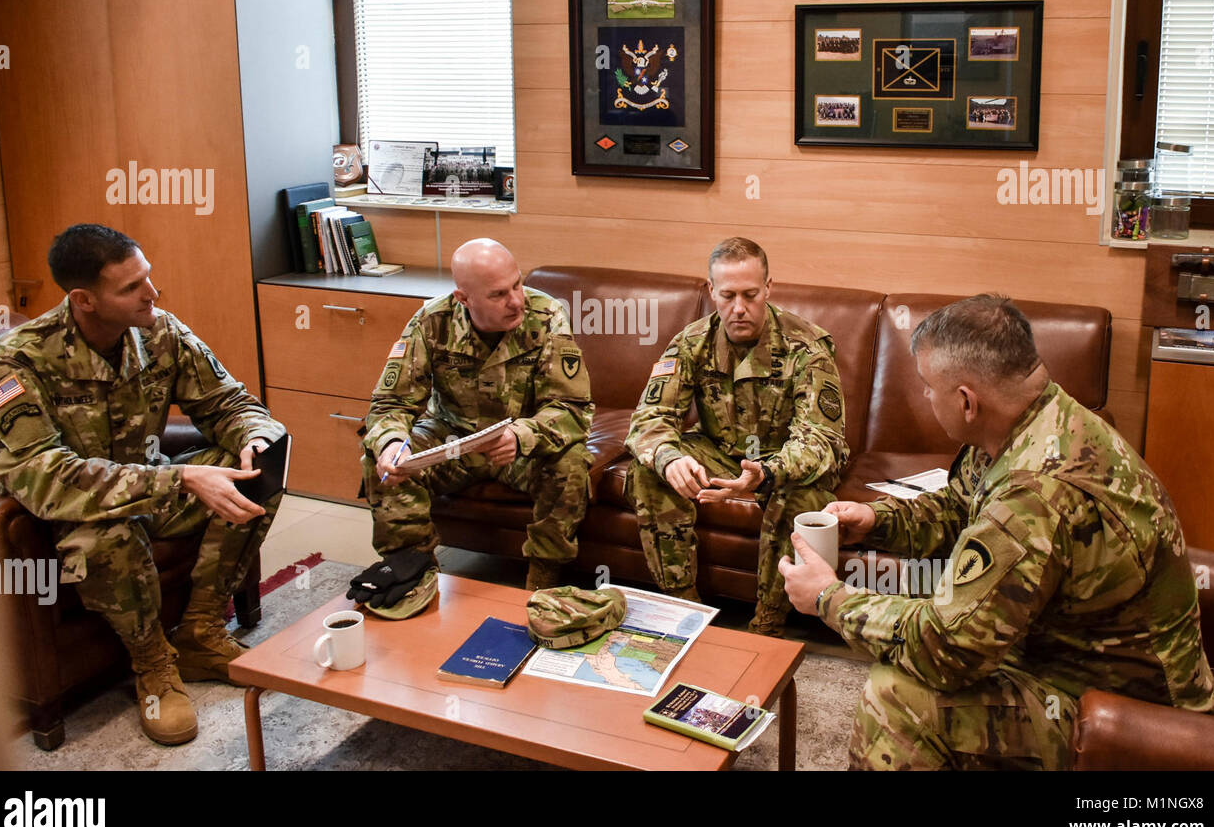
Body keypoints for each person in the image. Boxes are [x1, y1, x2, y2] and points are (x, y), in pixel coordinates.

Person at [778, 294, 1214, 770]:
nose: (925, 397)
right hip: (1063, 654)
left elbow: (946, 650)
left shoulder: (1036, 494)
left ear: (967, 401)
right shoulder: (1032, 419)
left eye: (928, 387)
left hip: (1125, 712)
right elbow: (959, 507)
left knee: (899, 696)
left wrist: (827, 599)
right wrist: (876, 522)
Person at [0, 224, 286, 746]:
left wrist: (254, 437)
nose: (152, 294)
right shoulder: (13, 363)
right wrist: (182, 476)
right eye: (131, 287)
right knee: (107, 535)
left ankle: (201, 632)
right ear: (84, 300)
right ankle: (154, 665)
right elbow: (43, 477)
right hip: (70, 515)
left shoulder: (159, 330)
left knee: (254, 474)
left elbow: (229, 403)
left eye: (148, 277)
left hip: (152, 491)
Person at [625, 237, 850, 635]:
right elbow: (649, 417)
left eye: (750, 294)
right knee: (648, 472)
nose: (739, 308)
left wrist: (766, 471)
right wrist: (669, 458)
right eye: (727, 295)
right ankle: (685, 609)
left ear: (768, 288)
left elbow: (820, 439)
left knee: (803, 495)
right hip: (722, 453)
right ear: (711, 290)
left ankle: (768, 623)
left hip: (786, 459)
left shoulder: (807, 346)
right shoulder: (692, 342)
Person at [360, 238, 593, 607]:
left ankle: (544, 576)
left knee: (571, 461)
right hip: (452, 439)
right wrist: (391, 443)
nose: (516, 300)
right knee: (383, 464)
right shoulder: (432, 322)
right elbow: (391, 402)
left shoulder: (546, 315)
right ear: (463, 299)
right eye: (499, 294)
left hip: (518, 445)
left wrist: (523, 434)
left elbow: (570, 408)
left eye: (517, 284)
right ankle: (414, 573)